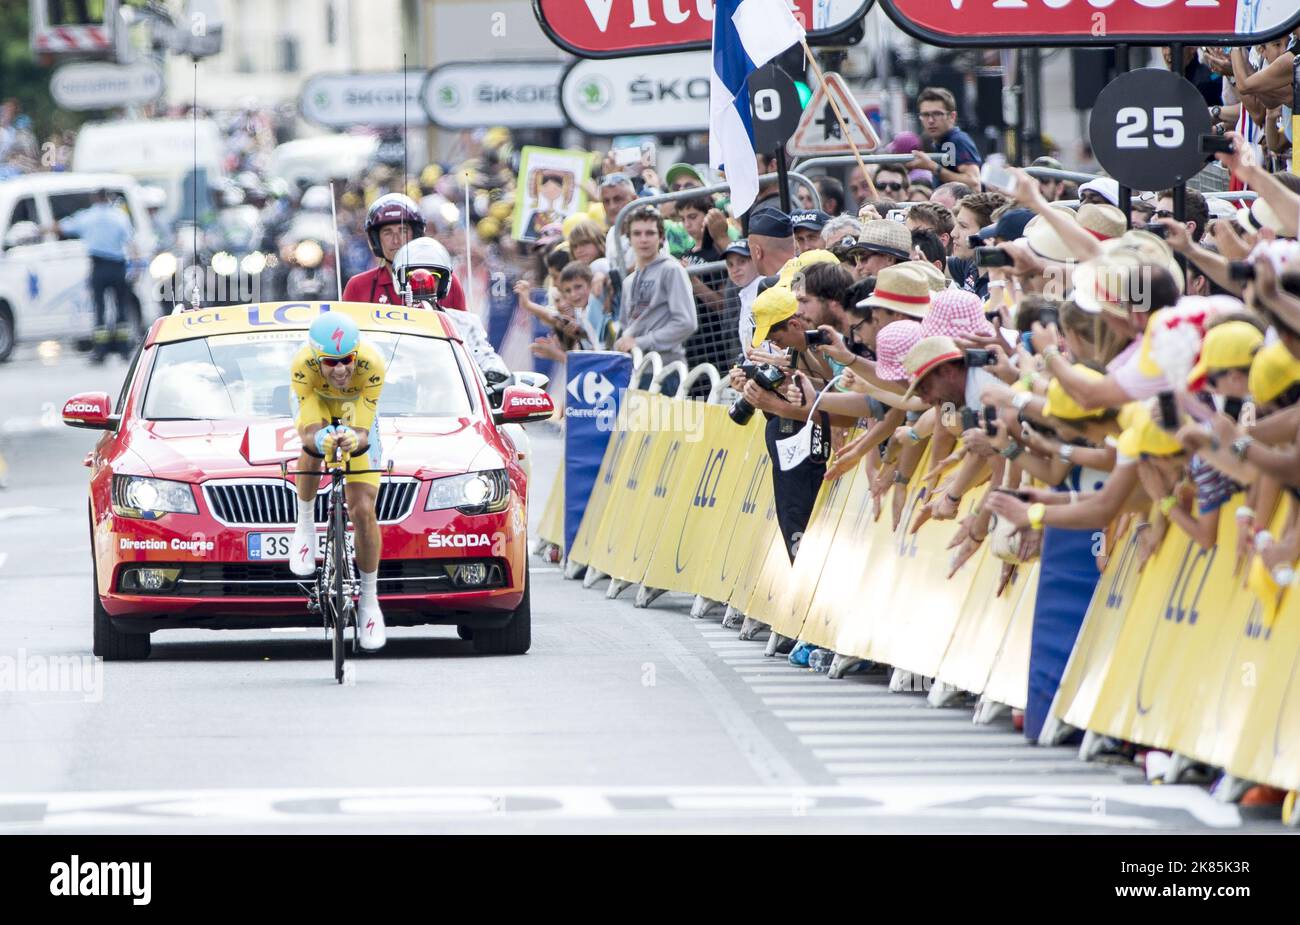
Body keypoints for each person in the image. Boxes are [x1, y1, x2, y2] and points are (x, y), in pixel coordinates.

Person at [288, 312, 388, 651]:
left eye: (347, 360)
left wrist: (352, 440)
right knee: (313, 445)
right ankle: (304, 527)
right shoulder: (302, 364)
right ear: (317, 358)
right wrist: (321, 440)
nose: (342, 369)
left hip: (355, 411)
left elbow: (362, 432)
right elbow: (309, 427)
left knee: (362, 510)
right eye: (331, 363)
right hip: (317, 404)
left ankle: (370, 602)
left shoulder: (372, 363)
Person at [614, 205, 698, 393]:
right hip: (635, 371)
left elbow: (687, 323)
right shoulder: (628, 281)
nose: (643, 239)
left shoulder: (672, 270)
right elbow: (626, 326)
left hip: (666, 371)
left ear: (661, 237)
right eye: (637, 233)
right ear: (629, 238)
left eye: (649, 233)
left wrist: (640, 342)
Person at [342, 193, 467, 309]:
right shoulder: (358, 286)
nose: (396, 240)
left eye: (403, 231)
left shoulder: (445, 280)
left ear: (416, 235)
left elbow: (464, 328)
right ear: (376, 240)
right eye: (388, 232)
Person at [55, 189, 137, 363]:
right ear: (107, 198)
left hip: (99, 266)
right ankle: (124, 350)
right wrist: (135, 267)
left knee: (99, 309)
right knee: (121, 307)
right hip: (117, 266)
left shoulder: (87, 216)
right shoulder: (119, 216)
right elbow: (130, 241)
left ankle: (100, 351)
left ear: (94, 198)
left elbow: (63, 227)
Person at [910, 87, 982, 189]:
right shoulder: (939, 142)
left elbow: (974, 183)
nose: (930, 120)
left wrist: (932, 167)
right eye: (925, 115)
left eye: (937, 114)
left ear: (952, 116)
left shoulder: (958, 140)